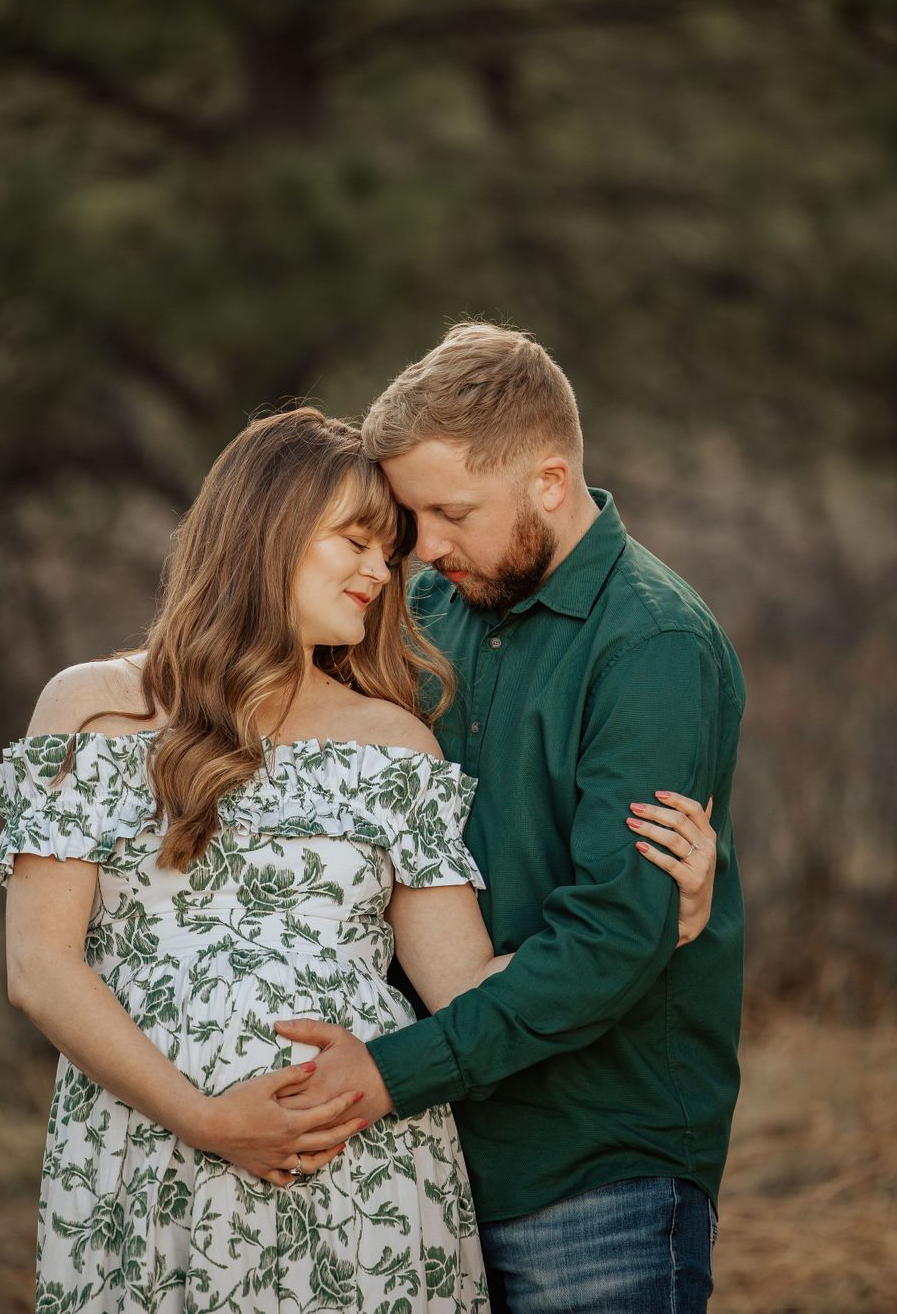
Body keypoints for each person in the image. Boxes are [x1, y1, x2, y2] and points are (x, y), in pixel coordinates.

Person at [0, 407, 715, 1314]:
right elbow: (39, 969)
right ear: (265, 531)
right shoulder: (93, 708)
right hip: (145, 1154)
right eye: (355, 542)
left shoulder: (394, 740)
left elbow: (466, 986)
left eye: (387, 552)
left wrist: (649, 914)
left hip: (361, 1178)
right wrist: (204, 1119)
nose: (380, 571)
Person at [273, 328, 746, 1314]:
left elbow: (611, 936)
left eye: (450, 513)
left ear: (549, 481)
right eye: (411, 517)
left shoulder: (651, 642)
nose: (425, 547)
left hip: (597, 1167)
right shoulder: (421, 614)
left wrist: (387, 1075)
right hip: (418, 1167)